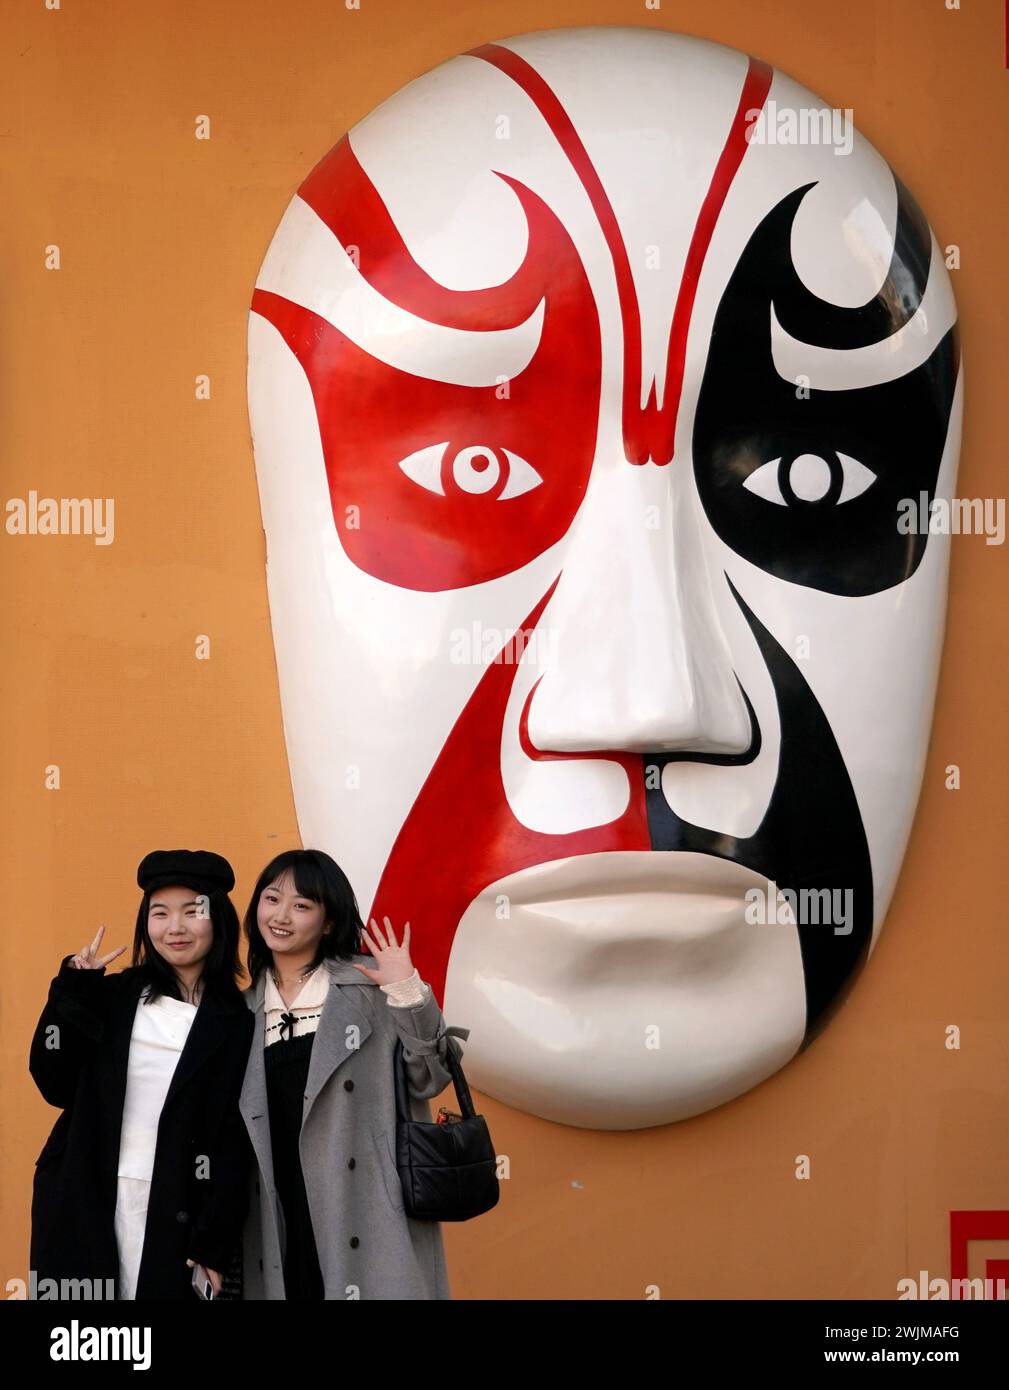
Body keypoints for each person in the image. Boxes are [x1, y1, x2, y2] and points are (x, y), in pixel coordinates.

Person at [29, 849, 255, 1300]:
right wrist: (73, 991)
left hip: (178, 1205)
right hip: (88, 1192)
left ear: (220, 919)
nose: (175, 928)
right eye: (160, 913)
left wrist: (215, 1238)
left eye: (194, 911)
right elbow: (51, 1080)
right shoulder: (112, 995)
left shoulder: (238, 1019)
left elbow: (237, 1137)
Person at [239, 848, 457, 1300]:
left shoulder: (370, 988)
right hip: (277, 1213)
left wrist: (408, 989)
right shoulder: (243, 1012)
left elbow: (430, 1077)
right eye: (271, 898)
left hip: (366, 1207)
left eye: (302, 906)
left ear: (330, 922)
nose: (281, 915)